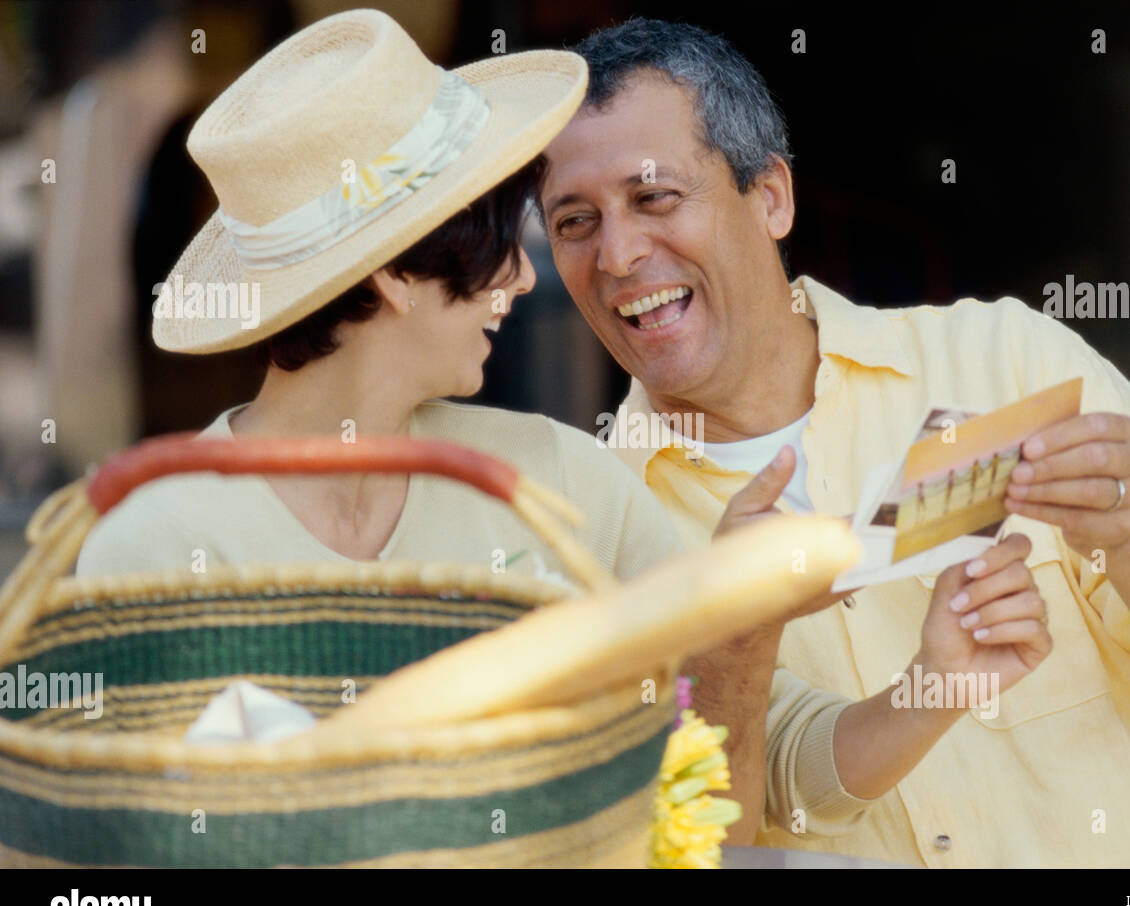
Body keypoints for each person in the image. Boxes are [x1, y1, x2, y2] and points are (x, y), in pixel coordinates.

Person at [536, 17, 1130, 866]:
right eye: (574, 222)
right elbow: (712, 839)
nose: (618, 253)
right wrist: (741, 637)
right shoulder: (589, 525)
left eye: (654, 198)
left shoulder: (1007, 357)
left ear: (771, 197)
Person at [75, 9, 682, 586]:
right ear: (394, 273)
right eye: (503, 240)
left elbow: (749, 686)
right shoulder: (156, 547)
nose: (525, 277)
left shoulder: (562, 481)